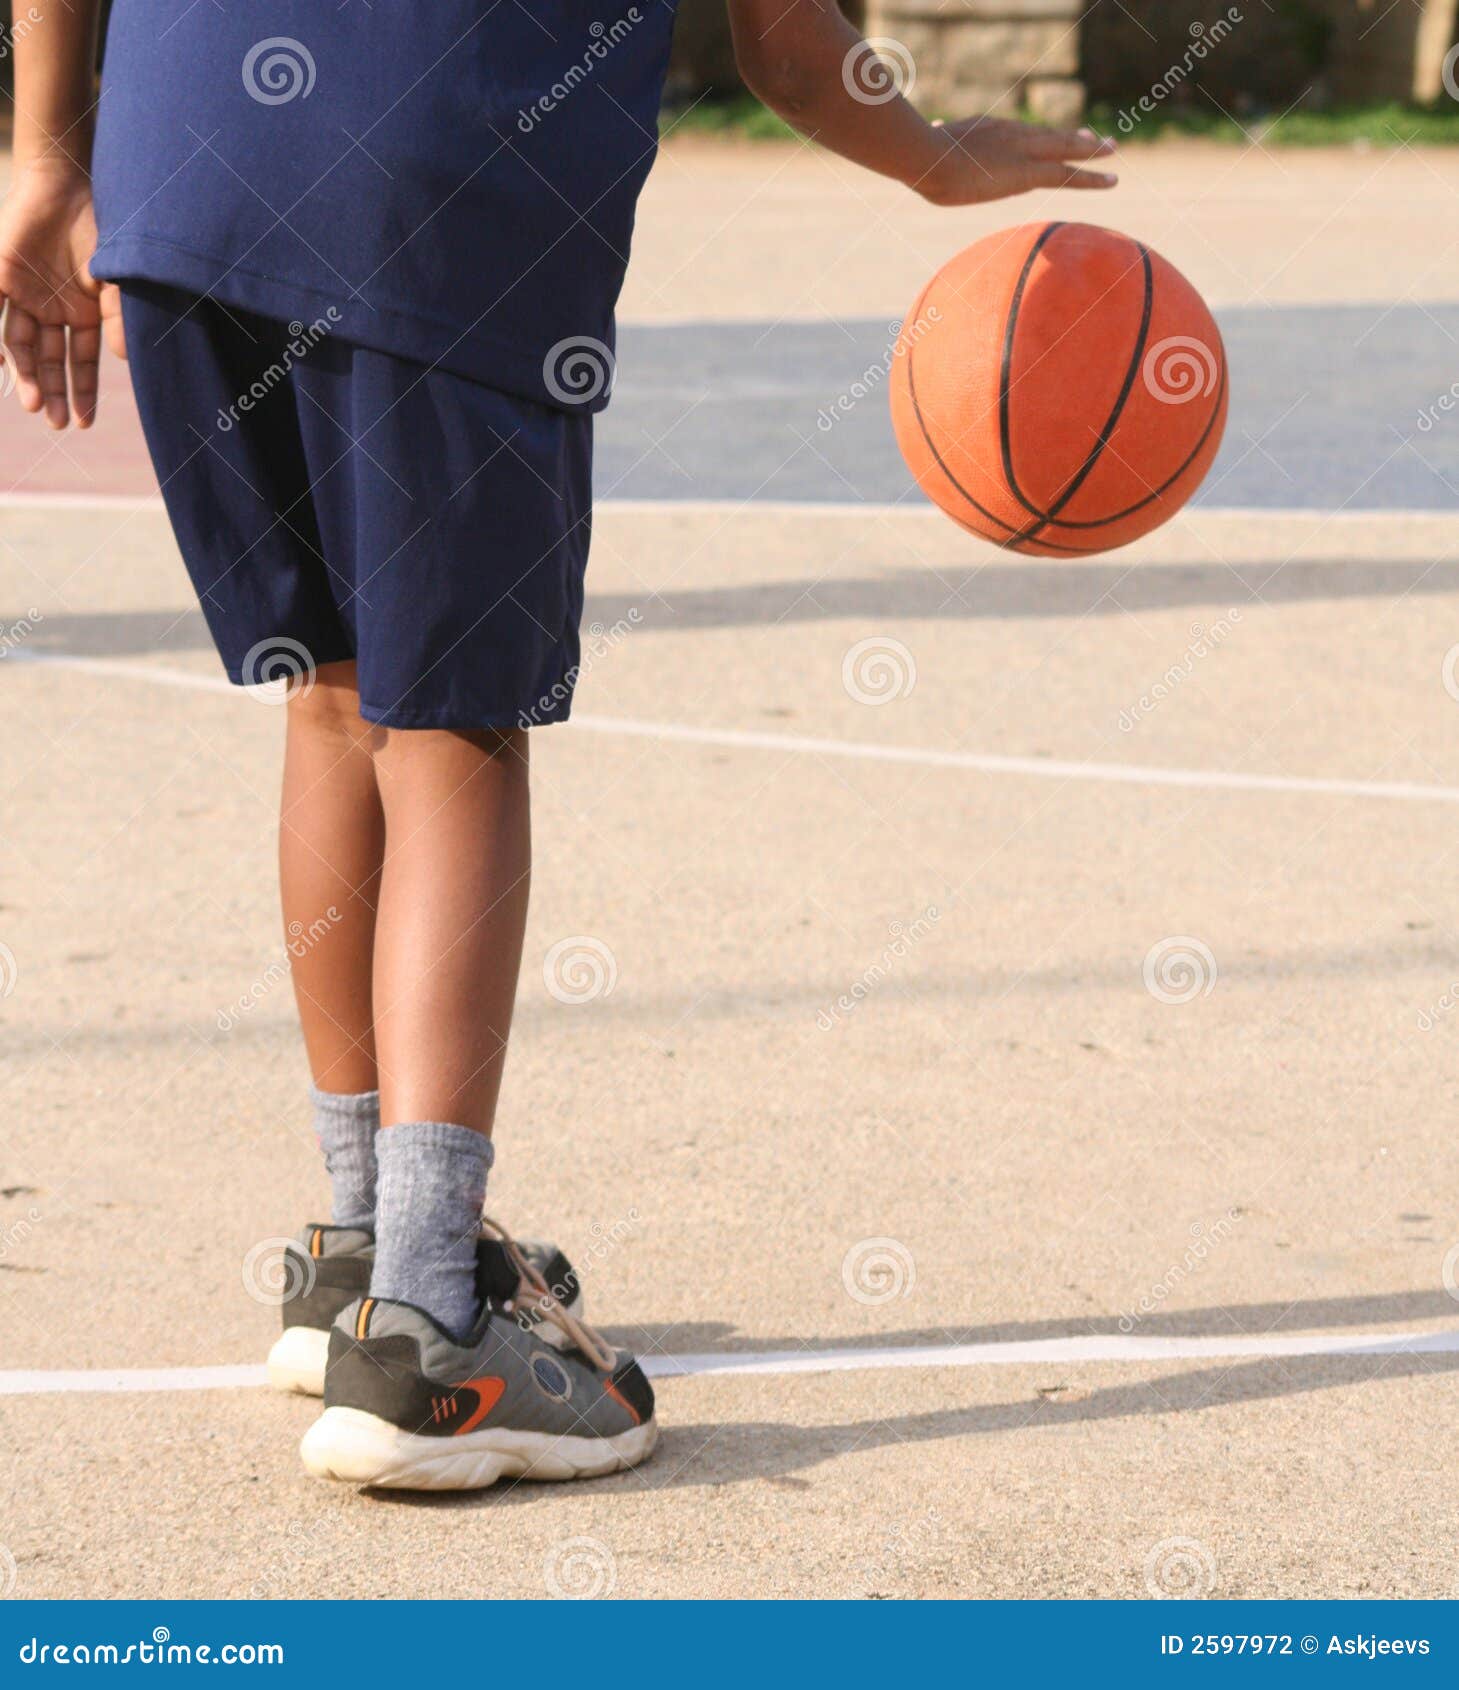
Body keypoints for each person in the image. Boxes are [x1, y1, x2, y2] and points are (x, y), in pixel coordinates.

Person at [0, 0, 1116, 1492]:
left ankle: (363, 1255)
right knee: (453, 722)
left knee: (330, 691)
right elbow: (786, 45)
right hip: (428, 180)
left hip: (179, 159)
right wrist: (932, 157)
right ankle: (432, 1341)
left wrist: (44, 152)